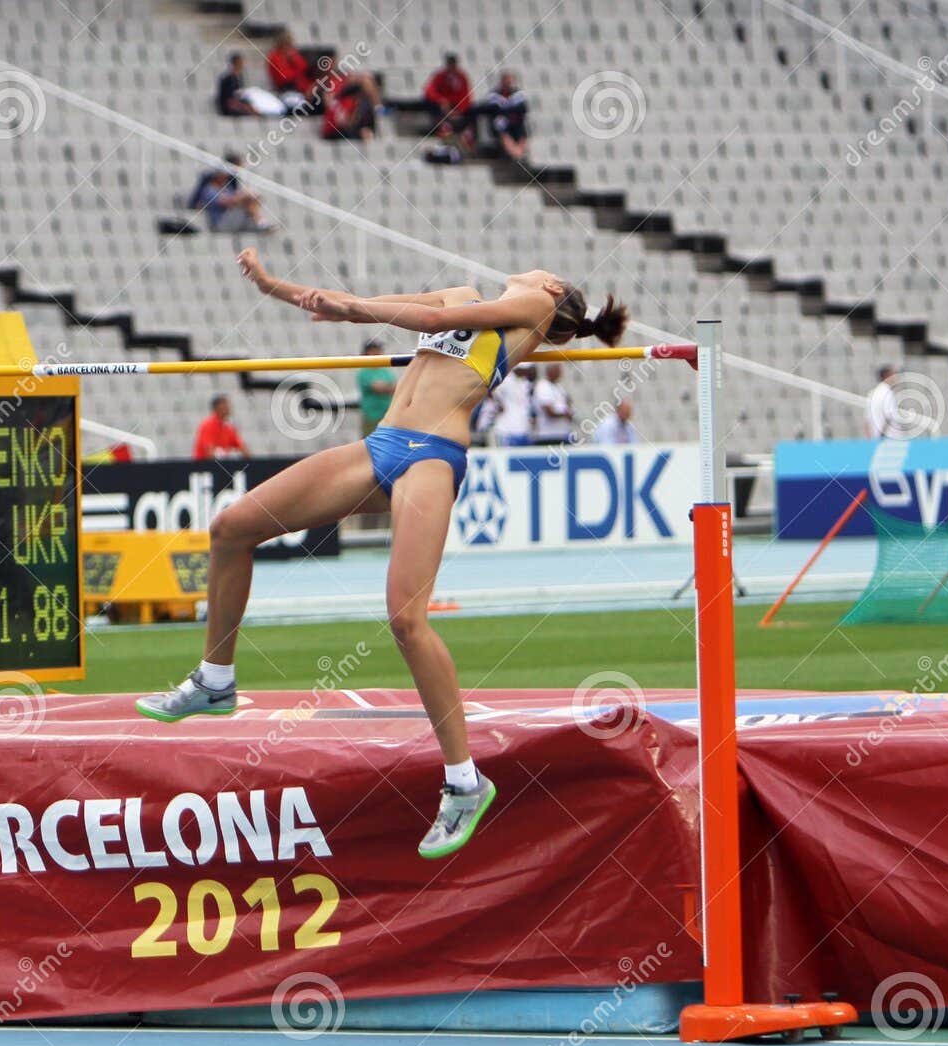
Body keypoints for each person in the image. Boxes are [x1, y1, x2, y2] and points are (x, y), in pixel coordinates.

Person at [138, 248, 628, 859]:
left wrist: (359, 307)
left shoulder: (534, 305)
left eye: (542, 270)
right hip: (382, 445)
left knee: (406, 618)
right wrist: (275, 286)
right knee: (232, 528)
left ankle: (464, 782)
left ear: (553, 285)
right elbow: (365, 309)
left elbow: (421, 322)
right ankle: (215, 680)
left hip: (431, 456)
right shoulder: (462, 294)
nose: (531, 268)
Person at [186, 156, 269, 232]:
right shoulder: (209, 190)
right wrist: (245, 197)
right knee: (249, 204)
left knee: (250, 205)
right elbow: (226, 202)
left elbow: (236, 200)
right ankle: (261, 223)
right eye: (223, 174)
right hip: (220, 224)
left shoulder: (228, 188)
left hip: (231, 219)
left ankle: (260, 225)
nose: (225, 177)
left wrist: (247, 198)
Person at [422, 53, 474, 161]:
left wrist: (459, 110)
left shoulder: (461, 77)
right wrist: (441, 100)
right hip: (443, 108)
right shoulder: (440, 76)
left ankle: (465, 144)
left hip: (457, 108)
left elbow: (467, 96)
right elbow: (429, 91)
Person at [478, 362, 534, 446]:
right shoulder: (505, 379)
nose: (527, 371)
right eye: (525, 369)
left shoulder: (524, 382)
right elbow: (487, 388)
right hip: (506, 429)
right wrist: (498, 403)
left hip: (523, 428)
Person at [321, 69, 382, 142]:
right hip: (335, 132)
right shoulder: (341, 93)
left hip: (349, 129)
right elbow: (344, 122)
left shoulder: (363, 102)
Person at [355, 338, 395, 436]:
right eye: (375, 349)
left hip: (387, 416)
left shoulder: (385, 370)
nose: (379, 352)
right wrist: (388, 387)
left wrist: (386, 387)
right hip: (371, 416)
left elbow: (394, 387)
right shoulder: (364, 371)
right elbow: (378, 388)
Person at [486, 72, 529, 161]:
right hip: (502, 124)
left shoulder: (517, 94)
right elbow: (494, 109)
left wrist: (507, 109)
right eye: (505, 82)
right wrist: (509, 109)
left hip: (515, 123)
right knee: (501, 126)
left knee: (522, 130)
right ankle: (515, 153)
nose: (507, 84)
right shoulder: (495, 94)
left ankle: (518, 153)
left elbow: (523, 109)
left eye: (509, 82)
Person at [193, 394, 248, 460]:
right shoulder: (208, 425)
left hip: (221, 464)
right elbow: (209, 454)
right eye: (225, 404)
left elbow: (244, 450)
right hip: (204, 465)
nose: (228, 407)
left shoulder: (228, 428)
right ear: (217, 407)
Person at [266, 31, 314, 106]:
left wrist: (294, 59)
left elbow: (304, 67)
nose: (289, 48)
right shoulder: (274, 57)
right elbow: (284, 78)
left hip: (302, 89)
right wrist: (296, 70)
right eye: (287, 45)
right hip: (287, 91)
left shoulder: (293, 55)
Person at [532, 363, 575, 445]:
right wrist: (565, 414)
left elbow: (568, 403)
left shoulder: (559, 387)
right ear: (549, 371)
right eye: (557, 371)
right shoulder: (543, 386)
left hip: (562, 434)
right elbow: (549, 412)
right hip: (548, 436)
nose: (560, 373)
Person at [866, 365, 899, 438]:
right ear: (888, 375)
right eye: (894, 374)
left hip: (875, 437)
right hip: (889, 437)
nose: (896, 377)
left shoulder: (872, 393)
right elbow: (888, 416)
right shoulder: (888, 393)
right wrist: (882, 435)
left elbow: (867, 420)